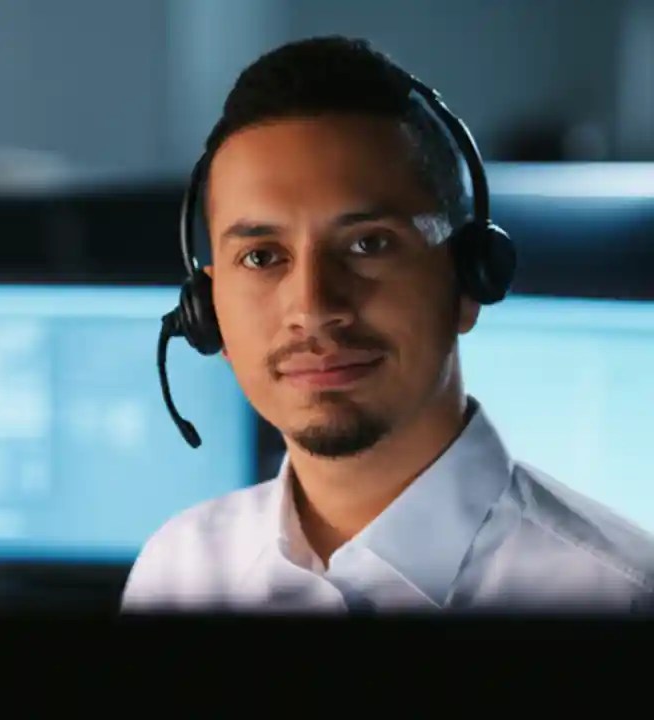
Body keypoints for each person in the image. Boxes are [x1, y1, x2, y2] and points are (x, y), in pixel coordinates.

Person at [123, 36, 654, 613]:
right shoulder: (178, 571)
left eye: (367, 244)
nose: (313, 307)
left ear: (468, 280)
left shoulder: (614, 597)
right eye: (262, 257)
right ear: (208, 307)